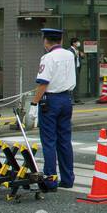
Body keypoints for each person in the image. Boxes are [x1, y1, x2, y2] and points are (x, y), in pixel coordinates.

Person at [28, 28, 77, 191]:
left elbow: (43, 83)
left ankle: (50, 180)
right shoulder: (70, 55)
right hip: (67, 99)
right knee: (65, 140)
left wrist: (34, 104)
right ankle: (68, 179)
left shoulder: (47, 57)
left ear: (46, 41)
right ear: (61, 41)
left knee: (49, 141)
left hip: (50, 101)